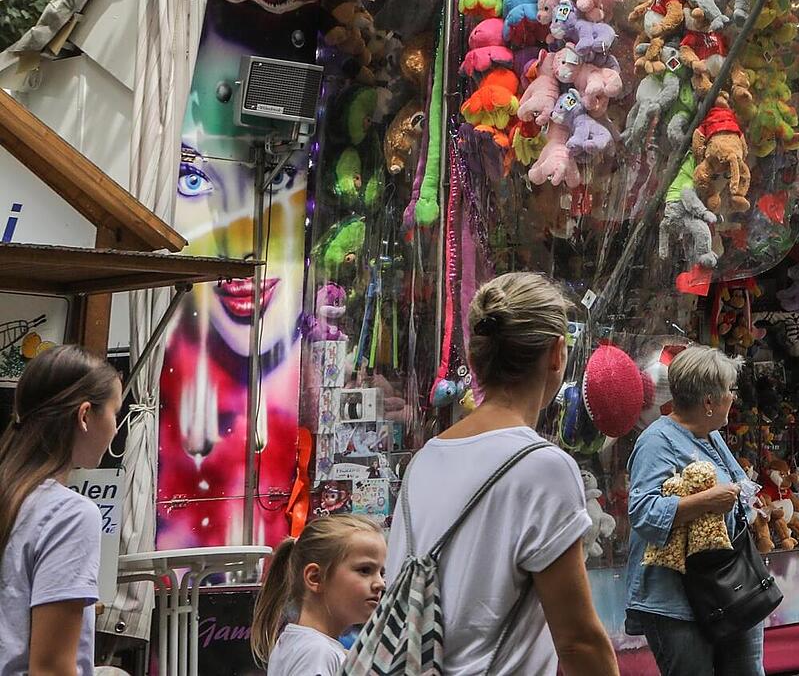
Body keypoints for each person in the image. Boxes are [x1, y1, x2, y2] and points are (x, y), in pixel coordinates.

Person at [387, 273, 618, 676]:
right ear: (556, 354)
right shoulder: (542, 466)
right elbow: (579, 641)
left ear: (475, 357)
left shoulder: (425, 460)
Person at [625, 344, 767, 676]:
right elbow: (644, 512)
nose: (733, 397)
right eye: (728, 391)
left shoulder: (710, 436)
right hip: (676, 601)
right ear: (708, 402)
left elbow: (738, 490)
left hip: (729, 589)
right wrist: (708, 502)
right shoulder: (656, 441)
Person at [0, 345, 122, 676]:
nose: (115, 428)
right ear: (85, 415)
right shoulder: (69, 514)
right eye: (114, 412)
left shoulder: (13, 498)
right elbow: (52, 668)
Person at [251, 515, 387, 675]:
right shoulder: (317, 653)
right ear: (315, 577)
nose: (381, 583)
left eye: (381, 573)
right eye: (365, 570)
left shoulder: (305, 645)